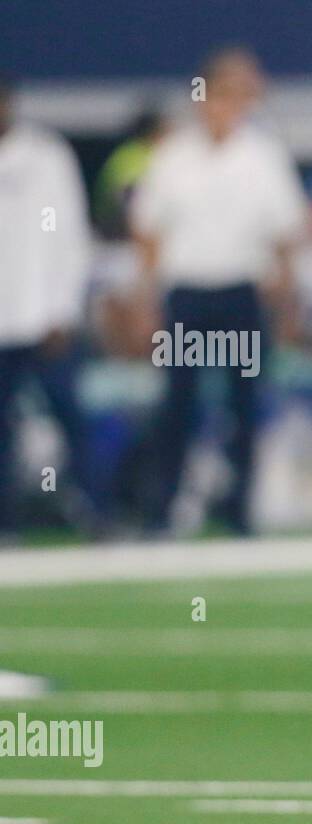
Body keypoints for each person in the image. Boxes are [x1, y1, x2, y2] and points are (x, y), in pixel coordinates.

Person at [131, 47, 306, 533]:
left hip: (240, 294)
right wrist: (145, 304)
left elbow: (286, 238)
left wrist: (288, 305)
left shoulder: (263, 156)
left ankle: (239, 511)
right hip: (187, 295)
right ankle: (162, 510)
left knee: (244, 405)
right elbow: (148, 234)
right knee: (176, 406)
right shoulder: (171, 156)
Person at [0, 71, 92, 534]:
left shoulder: (47, 156)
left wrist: (64, 308)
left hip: (43, 318)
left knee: (70, 416)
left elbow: (71, 235)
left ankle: (96, 512)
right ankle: (7, 525)